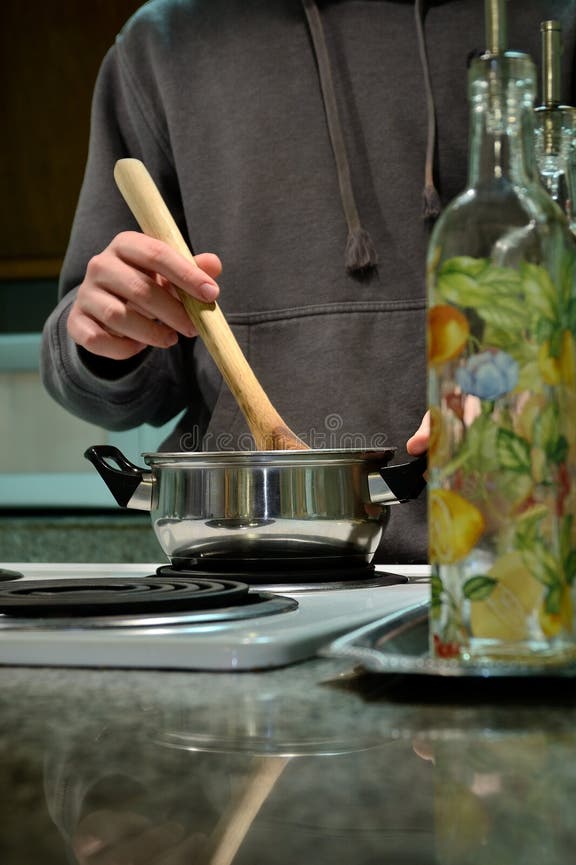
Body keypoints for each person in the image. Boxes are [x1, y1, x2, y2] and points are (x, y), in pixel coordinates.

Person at [40, 0, 576, 564]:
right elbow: (103, 376)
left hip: (534, 564)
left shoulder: (552, 22)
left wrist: (545, 374)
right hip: (247, 573)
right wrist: (105, 339)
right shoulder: (163, 42)